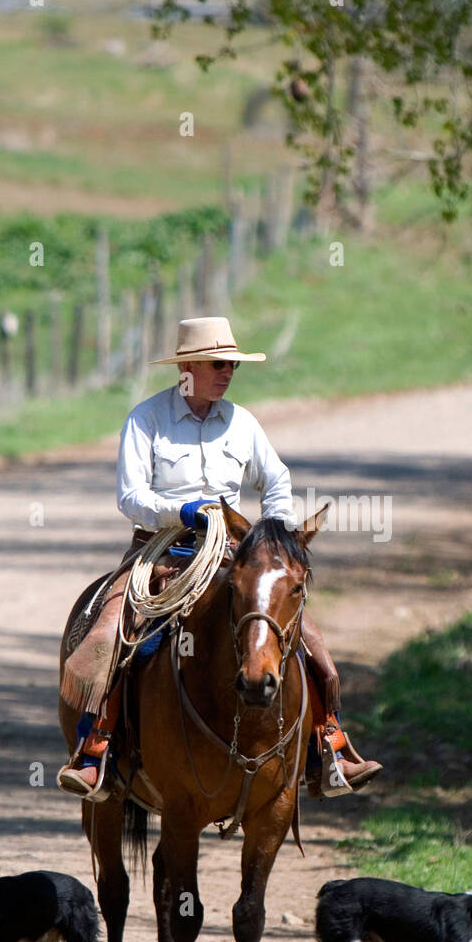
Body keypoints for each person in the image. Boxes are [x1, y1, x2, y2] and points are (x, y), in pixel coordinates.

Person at [56, 316, 382, 799]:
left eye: (231, 364)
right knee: (117, 633)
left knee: (305, 640)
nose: (227, 372)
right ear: (187, 367)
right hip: (162, 550)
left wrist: (273, 536)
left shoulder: (242, 422)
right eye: (218, 363)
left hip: (235, 550)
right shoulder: (146, 420)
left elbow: (277, 481)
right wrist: (181, 511)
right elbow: (130, 496)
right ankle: (96, 748)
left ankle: (328, 746)